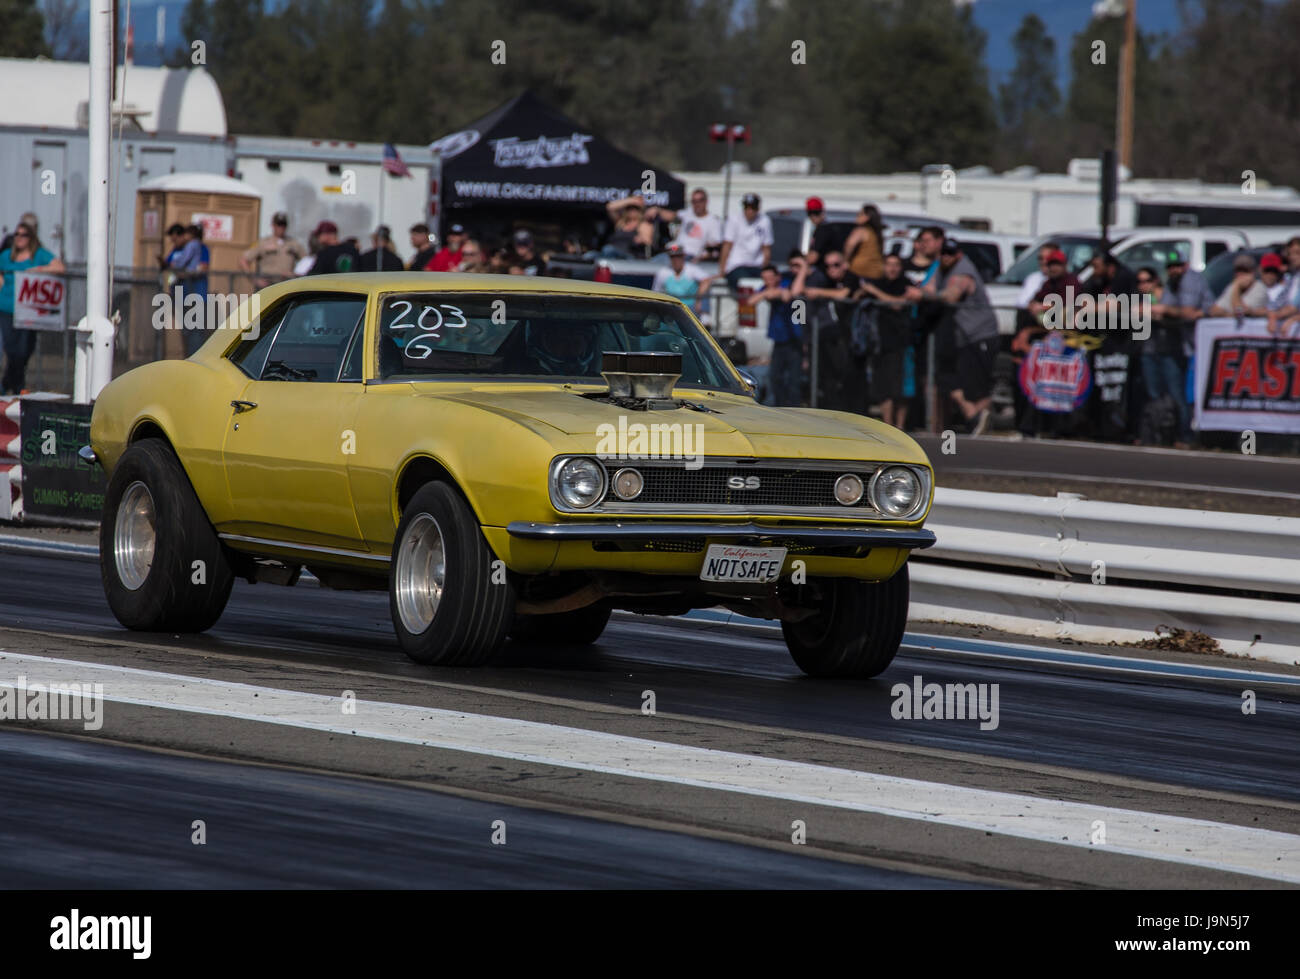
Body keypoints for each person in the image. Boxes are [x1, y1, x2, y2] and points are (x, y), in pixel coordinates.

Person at [926, 238, 999, 435]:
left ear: (959, 254)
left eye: (950, 253)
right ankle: (976, 419)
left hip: (981, 334)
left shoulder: (963, 271)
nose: (946, 257)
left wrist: (923, 295)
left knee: (978, 387)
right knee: (954, 382)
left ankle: (978, 419)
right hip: (963, 337)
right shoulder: (941, 268)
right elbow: (930, 287)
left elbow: (951, 296)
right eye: (943, 253)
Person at [1143, 252, 1212, 447]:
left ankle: (1187, 435)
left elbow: (1187, 312)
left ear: (1186, 265)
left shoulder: (1190, 281)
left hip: (1196, 346)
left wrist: (1164, 311)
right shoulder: (1172, 283)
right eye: (1171, 266)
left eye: (1178, 265)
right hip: (1180, 346)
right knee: (1177, 393)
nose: (1174, 269)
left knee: (1183, 394)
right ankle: (1170, 434)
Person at [0, 222, 65, 394]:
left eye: (24, 235)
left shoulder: (38, 255)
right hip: (7, 309)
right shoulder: (7, 256)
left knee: (24, 350)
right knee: (11, 349)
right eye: (17, 234)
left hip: (29, 311)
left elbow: (59, 267)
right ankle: (16, 385)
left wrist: (38, 269)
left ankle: (9, 383)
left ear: (31, 237)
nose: (20, 238)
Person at [794, 248, 860, 411]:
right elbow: (797, 294)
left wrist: (817, 290)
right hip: (817, 333)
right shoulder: (820, 279)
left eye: (835, 265)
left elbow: (843, 294)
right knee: (822, 375)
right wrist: (803, 269)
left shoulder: (836, 277)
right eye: (828, 266)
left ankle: (848, 410)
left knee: (843, 374)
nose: (831, 269)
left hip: (841, 334)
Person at [859, 252, 913, 429]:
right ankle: (888, 425)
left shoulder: (905, 284)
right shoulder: (878, 282)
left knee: (900, 389)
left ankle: (900, 425)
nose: (892, 268)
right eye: (889, 264)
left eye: (896, 264)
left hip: (901, 343)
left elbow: (898, 304)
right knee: (883, 388)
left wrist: (874, 292)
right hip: (879, 344)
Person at [754, 255, 804, 407]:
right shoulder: (766, 288)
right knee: (775, 376)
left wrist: (772, 293)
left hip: (794, 339)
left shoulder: (788, 283)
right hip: (779, 339)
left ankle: (795, 409)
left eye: (770, 278)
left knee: (793, 379)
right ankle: (780, 406)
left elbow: (787, 296)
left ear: (777, 276)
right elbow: (751, 300)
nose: (767, 281)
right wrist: (765, 293)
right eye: (764, 278)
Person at [719, 193, 774, 291]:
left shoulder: (765, 221)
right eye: (747, 208)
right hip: (737, 265)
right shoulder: (733, 219)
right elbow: (727, 245)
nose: (750, 211)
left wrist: (766, 269)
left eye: (753, 208)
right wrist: (722, 269)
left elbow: (766, 248)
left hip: (757, 265)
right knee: (745, 284)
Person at [240, 212, 305, 288]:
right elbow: (243, 260)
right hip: (267, 285)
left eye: (283, 225)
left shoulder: (293, 244)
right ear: (273, 225)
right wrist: (255, 280)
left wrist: (296, 274)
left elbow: (306, 261)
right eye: (278, 224)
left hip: (287, 285)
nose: (281, 228)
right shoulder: (263, 242)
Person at [652, 244, 712, 317]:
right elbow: (656, 292)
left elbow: (706, 280)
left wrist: (698, 299)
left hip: (690, 308)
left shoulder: (691, 269)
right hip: (670, 308)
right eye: (673, 257)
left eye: (678, 256)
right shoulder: (663, 272)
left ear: (683, 257)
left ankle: (706, 320)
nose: (676, 260)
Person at [669, 188, 722, 261]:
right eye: (694, 201)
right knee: (653, 263)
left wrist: (700, 258)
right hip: (674, 251)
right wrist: (657, 210)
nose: (697, 204)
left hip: (690, 256)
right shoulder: (687, 213)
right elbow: (671, 215)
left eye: (700, 201)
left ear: (706, 201)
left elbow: (715, 247)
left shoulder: (713, 221)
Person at [844, 203, 884, 281]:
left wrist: (845, 261)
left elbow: (850, 245)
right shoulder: (876, 233)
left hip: (858, 270)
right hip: (876, 272)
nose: (857, 217)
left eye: (860, 214)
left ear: (867, 217)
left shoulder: (861, 230)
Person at [804, 196, 847, 268]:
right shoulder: (831, 228)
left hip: (825, 272)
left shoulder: (822, 230)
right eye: (810, 213)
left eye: (816, 213)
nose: (813, 216)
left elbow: (812, 258)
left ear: (822, 212)